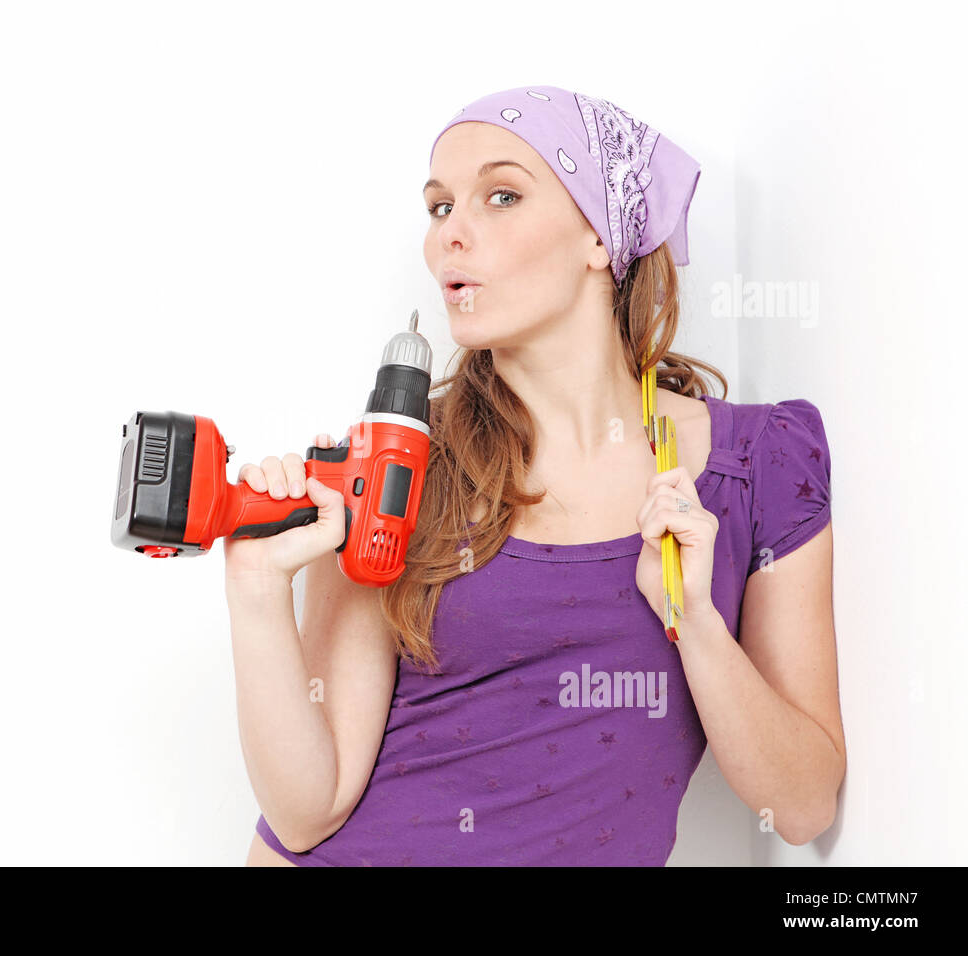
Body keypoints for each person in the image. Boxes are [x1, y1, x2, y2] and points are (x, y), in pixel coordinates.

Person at [224, 85, 844, 866]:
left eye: (502, 195)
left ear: (599, 236)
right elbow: (307, 811)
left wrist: (699, 627)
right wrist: (254, 594)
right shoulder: (396, 467)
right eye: (439, 206)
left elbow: (802, 805)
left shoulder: (759, 462)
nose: (449, 235)